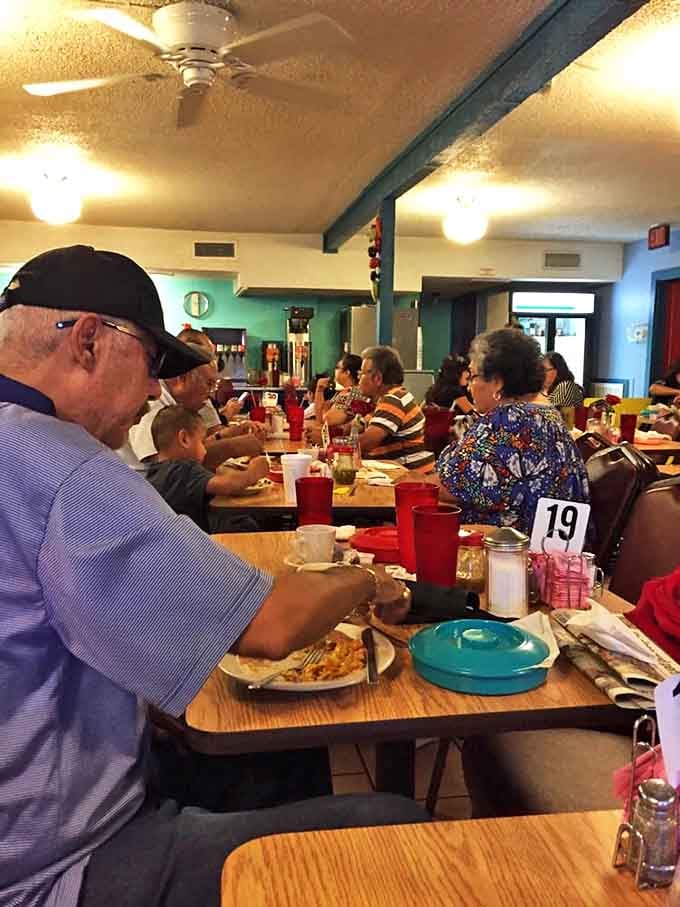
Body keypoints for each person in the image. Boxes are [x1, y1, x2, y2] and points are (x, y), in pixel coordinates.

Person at [0, 245, 425, 907]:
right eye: (149, 364)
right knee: (399, 829)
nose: (152, 394)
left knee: (285, 749)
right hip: (58, 866)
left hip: (44, 810)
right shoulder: (61, 464)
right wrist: (370, 580)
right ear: (87, 340)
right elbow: (271, 626)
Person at [437, 329, 589, 533]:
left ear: (498, 382)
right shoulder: (546, 413)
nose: (469, 387)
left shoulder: (508, 421)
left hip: (516, 549)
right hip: (556, 549)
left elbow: (450, 487)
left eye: (473, 377)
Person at [126, 344, 264, 474]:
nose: (211, 394)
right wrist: (232, 447)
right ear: (182, 378)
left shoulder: (177, 403)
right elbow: (167, 469)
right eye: (209, 384)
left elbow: (188, 450)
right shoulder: (155, 401)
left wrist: (227, 434)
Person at [146, 405, 270, 532]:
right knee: (246, 525)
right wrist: (254, 472)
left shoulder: (154, 471)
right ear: (184, 439)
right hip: (194, 541)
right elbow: (227, 485)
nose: (205, 449)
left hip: (175, 537)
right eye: (202, 441)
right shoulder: (183, 469)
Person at [357, 345, 434, 473]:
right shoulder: (392, 397)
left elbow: (366, 442)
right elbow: (359, 426)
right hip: (403, 474)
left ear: (377, 378)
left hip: (410, 479)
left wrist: (334, 448)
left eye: (362, 373)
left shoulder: (393, 400)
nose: (359, 379)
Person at [314, 353, 370, 427]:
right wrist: (319, 390)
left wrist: (325, 408)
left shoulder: (351, 393)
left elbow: (327, 420)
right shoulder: (345, 392)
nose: (335, 370)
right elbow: (319, 420)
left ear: (347, 372)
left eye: (337, 367)